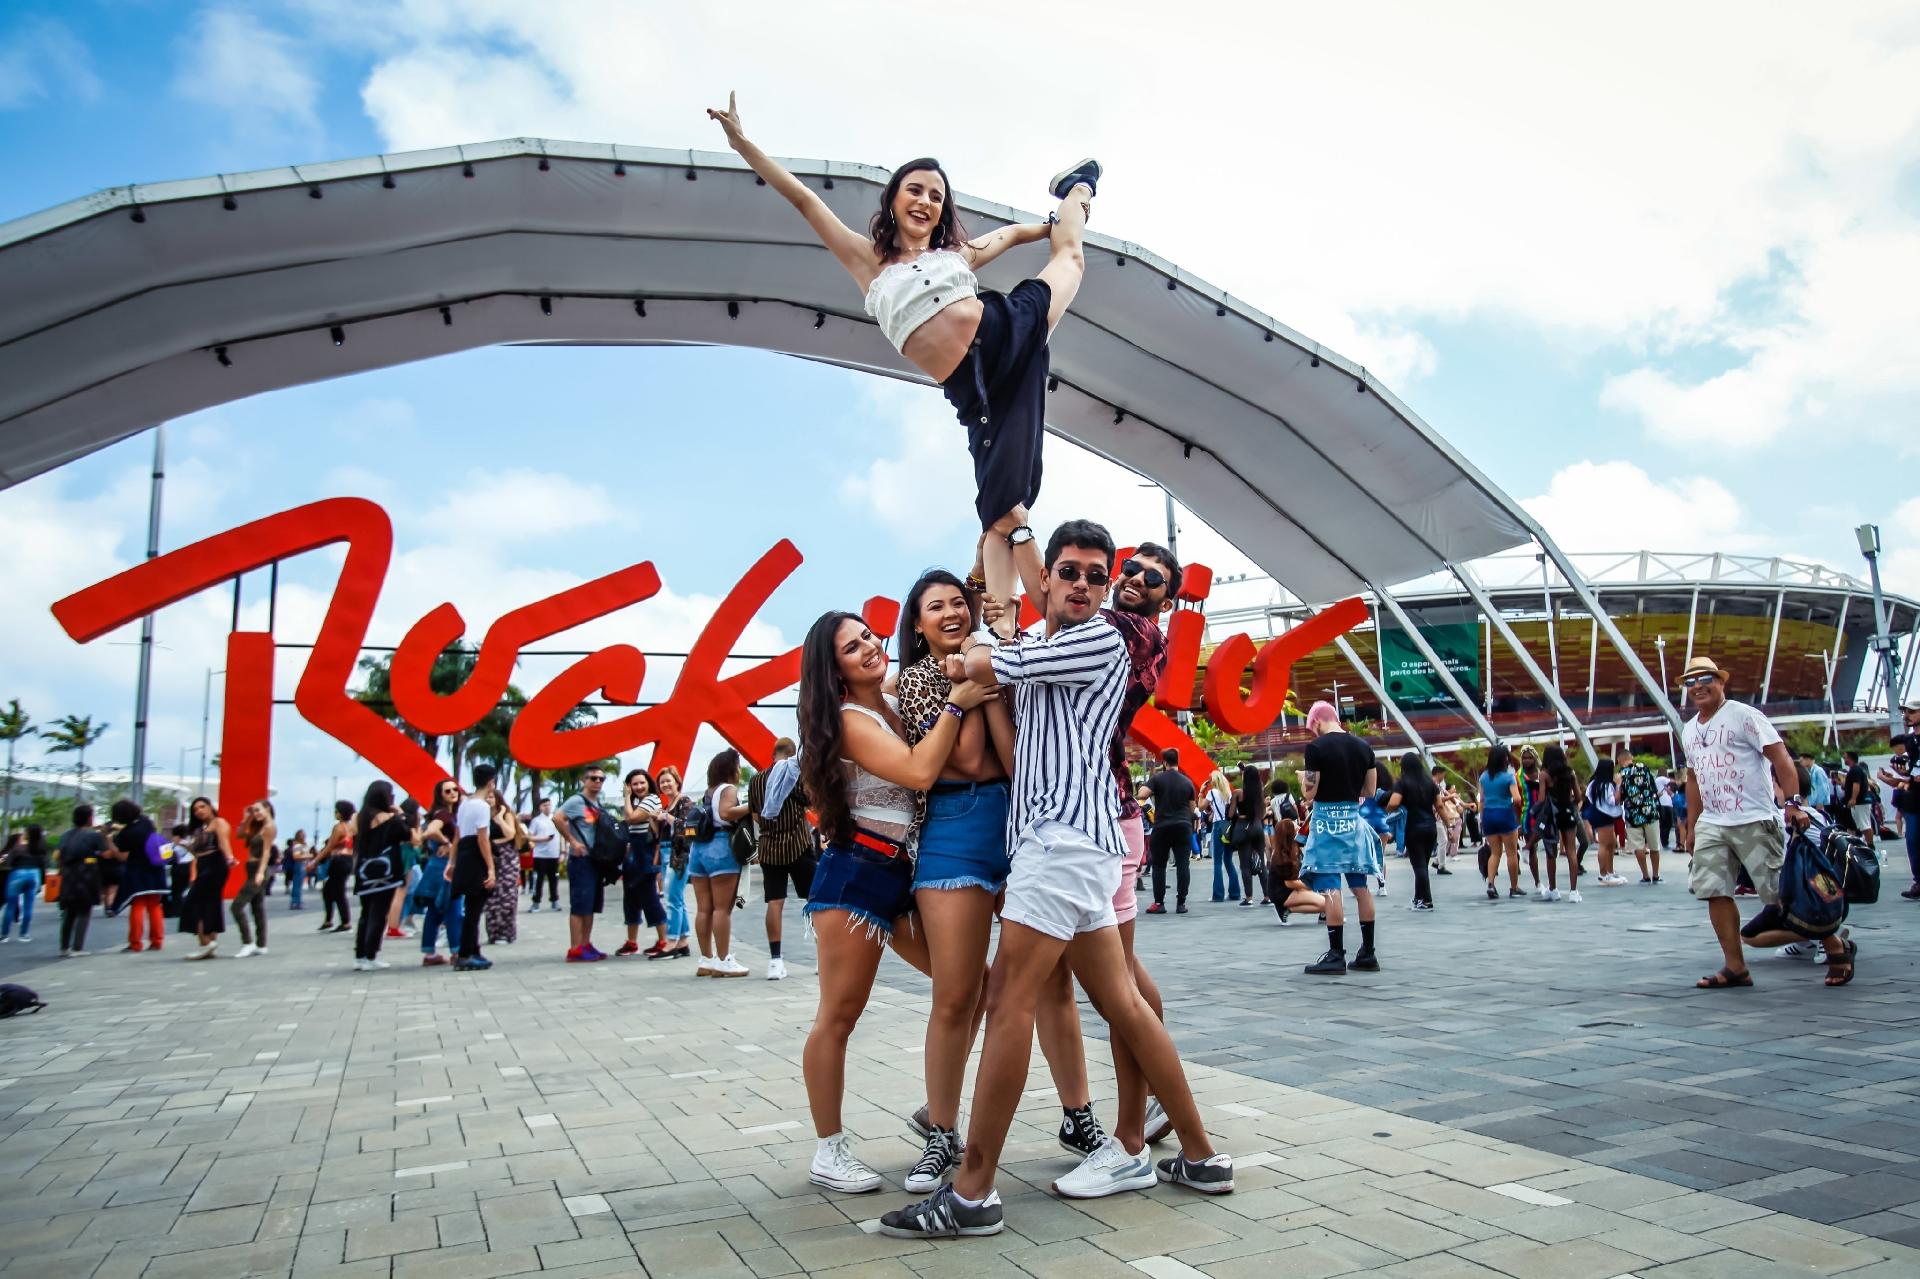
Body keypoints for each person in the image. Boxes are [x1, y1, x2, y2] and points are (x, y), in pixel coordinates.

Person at [882, 520, 1230, 1240]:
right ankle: (1201, 1155)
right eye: (1068, 571)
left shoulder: (1099, 636)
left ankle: (972, 1192)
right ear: (1050, 579)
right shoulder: (1044, 643)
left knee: (1010, 998)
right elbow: (1005, 621)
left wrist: (978, 644)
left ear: (1109, 589)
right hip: (1074, 840)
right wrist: (1007, 532)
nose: (1081, 583)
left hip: (1063, 841)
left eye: (1095, 575)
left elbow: (977, 666)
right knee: (1124, 1003)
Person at [709, 93, 1098, 632]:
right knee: (1003, 512)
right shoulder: (868, 260)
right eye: (915, 190)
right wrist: (743, 144)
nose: (925, 201)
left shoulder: (954, 255)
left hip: (1008, 328)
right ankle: (1020, 635)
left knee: (1070, 257)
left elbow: (1006, 237)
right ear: (893, 199)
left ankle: (1080, 188)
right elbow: (803, 200)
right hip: (975, 387)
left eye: (936, 196)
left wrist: (1049, 224)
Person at [794, 608, 984, 1194]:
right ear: (835, 671)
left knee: (974, 986)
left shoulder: (888, 700)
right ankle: (829, 1149)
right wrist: (958, 704)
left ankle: (938, 1111)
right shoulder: (852, 720)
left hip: (897, 873)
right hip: (856, 877)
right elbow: (920, 771)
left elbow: (933, 647)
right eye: (853, 648)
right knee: (839, 1016)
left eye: (870, 636)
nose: (871, 648)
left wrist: (979, 581)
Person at [888, 569, 1017, 1188]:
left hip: (1017, 823)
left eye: (957, 603)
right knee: (955, 995)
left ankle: (1080, 1116)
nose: (949, 613)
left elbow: (1014, 757)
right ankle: (940, 1135)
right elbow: (966, 758)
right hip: (954, 822)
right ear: (917, 624)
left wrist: (981, 678)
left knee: (1037, 988)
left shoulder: (997, 662)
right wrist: (973, 684)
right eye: (933, 607)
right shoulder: (914, 680)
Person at [1679, 656, 1851, 988]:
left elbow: (1780, 757)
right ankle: (1735, 967)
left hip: (1755, 818)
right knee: (1713, 891)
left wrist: (1793, 802)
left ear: (1721, 682)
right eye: (1690, 682)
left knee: (1779, 895)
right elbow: (1692, 778)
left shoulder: (1743, 715)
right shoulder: (1689, 729)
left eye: (1705, 679)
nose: (1697, 686)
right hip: (1713, 822)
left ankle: (1835, 946)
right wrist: (1692, 824)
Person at [1299, 701, 1383, 975]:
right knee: (1360, 886)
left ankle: (1336, 954)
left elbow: (1309, 794)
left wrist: (1304, 778)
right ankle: (1368, 952)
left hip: (1326, 824)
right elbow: (1370, 790)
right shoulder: (1363, 747)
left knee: (1330, 886)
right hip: (1353, 820)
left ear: (1317, 722)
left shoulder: (1316, 749)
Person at [749, 738, 815, 980]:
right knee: (813, 901)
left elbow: (755, 814)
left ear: (773, 754)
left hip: (769, 848)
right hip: (798, 845)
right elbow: (811, 800)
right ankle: (823, 956)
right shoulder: (795, 774)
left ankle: (775, 961)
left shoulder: (756, 780)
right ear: (790, 755)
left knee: (774, 902)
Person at [688, 748, 752, 977]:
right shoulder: (728, 789)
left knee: (704, 909)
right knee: (722, 910)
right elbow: (726, 813)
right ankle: (724, 960)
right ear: (731, 768)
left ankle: (706, 959)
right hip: (721, 847)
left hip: (699, 849)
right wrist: (753, 806)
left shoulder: (709, 790)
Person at [558, 768, 615, 963]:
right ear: (584, 780)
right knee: (580, 905)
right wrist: (572, 841)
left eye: (601, 779)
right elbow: (558, 818)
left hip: (595, 859)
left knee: (591, 905)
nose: (597, 782)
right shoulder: (576, 801)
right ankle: (575, 947)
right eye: (593, 778)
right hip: (580, 859)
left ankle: (585, 943)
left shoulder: (596, 803)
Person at [352, 781, 409, 971]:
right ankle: (371, 954)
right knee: (379, 914)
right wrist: (399, 813)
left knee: (366, 914)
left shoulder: (360, 818)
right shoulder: (389, 818)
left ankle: (360, 955)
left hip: (364, 871)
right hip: (386, 873)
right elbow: (406, 834)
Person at [451, 764, 499, 971]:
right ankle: (464, 954)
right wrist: (490, 868)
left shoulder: (464, 804)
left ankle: (473, 950)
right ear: (491, 782)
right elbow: (483, 839)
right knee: (474, 909)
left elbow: (457, 835)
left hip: (464, 853)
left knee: (472, 906)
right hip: (475, 855)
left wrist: (452, 862)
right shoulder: (482, 806)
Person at [616, 769, 668, 957]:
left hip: (645, 852)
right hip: (633, 853)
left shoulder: (652, 799)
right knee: (630, 898)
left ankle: (664, 940)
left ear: (648, 783)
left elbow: (631, 818)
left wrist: (626, 798)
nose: (638, 787)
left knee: (649, 897)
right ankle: (631, 942)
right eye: (634, 784)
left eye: (641, 783)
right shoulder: (635, 802)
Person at [180, 797, 233, 959]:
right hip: (204, 864)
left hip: (215, 864)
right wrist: (186, 846)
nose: (199, 811)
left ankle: (206, 943)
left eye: (202, 807)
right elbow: (197, 853)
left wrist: (230, 857)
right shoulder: (202, 828)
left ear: (210, 807)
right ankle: (209, 943)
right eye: (195, 809)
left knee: (193, 902)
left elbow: (223, 842)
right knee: (209, 904)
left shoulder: (218, 822)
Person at [417, 779, 463, 967]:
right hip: (446, 867)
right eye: (447, 791)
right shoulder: (443, 815)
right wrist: (447, 843)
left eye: (455, 789)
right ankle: (457, 951)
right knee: (453, 909)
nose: (453, 793)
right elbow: (429, 832)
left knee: (435, 910)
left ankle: (429, 953)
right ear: (440, 795)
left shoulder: (448, 814)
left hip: (436, 867)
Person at [1386, 753, 1440, 911]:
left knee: (1419, 866)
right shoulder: (1430, 783)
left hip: (1413, 827)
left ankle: (1427, 900)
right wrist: (1449, 825)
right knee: (1423, 864)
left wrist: (1388, 809)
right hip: (1430, 827)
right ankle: (1418, 898)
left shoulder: (1402, 783)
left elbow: (1394, 802)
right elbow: (1440, 805)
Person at [650, 766, 694, 960]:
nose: (666, 784)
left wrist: (666, 817)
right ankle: (683, 941)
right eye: (662, 782)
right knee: (677, 899)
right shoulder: (667, 805)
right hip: (667, 851)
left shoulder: (684, 802)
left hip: (679, 854)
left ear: (677, 781)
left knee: (671, 899)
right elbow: (660, 834)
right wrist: (656, 818)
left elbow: (687, 827)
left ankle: (671, 942)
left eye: (669, 780)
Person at [1145, 750, 1196, 915]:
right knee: (1183, 864)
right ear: (1177, 761)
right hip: (1183, 826)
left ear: (1164, 762)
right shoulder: (1187, 782)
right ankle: (1181, 903)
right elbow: (1192, 808)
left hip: (1162, 826)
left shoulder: (1158, 779)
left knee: (1159, 865)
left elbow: (1142, 794)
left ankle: (1159, 903)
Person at [55, 805, 107, 957]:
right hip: (87, 875)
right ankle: (78, 948)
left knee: (69, 912)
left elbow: (58, 855)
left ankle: (64, 947)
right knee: (84, 910)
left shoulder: (66, 835)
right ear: (89, 818)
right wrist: (104, 838)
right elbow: (106, 854)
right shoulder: (93, 836)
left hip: (69, 874)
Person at [230, 800, 276, 957]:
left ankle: (248, 942)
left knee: (237, 906)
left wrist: (261, 872)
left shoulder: (269, 827)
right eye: (254, 811)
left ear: (267, 809)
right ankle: (261, 944)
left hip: (258, 869)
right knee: (257, 908)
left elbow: (267, 852)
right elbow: (239, 834)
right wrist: (246, 818)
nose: (256, 813)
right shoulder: (257, 826)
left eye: (258, 810)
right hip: (250, 869)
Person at [1477, 744, 1522, 901]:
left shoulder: (1483, 777)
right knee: (1511, 853)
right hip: (1505, 814)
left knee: (1495, 853)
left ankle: (1491, 884)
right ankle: (1514, 887)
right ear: (1505, 760)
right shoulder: (1509, 777)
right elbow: (1517, 799)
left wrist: (1482, 818)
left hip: (1488, 815)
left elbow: (1481, 800)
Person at [1542, 745, 1583, 902]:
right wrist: (1573, 808)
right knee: (1571, 851)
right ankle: (1573, 891)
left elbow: (1541, 799)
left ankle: (1553, 889)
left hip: (1552, 815)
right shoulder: (1570, 773)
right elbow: (1578, 797)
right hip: (1568, 812)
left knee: (1551, 853)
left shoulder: (1545, 774)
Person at [1617, 744, 1663, 884]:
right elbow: (1654, 788)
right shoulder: (1644, 768)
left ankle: (1645, 875)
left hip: (1633, 815)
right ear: (1631, 758)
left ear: (1619, 761)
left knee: (1638, 846)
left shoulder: (1621, 775)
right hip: (1650, 812)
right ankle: (1656, 875)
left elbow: (1620, 799)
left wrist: (1619, 784)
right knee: (1654, 846)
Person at [484, 789, 523, 945]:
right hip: (490, 855)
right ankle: (493, 932)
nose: (488, 799)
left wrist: (499, 818)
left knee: (506, 896)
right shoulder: (482, 815)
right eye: (486, 797)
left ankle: (506, 932)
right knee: (491, 897)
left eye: (491, 797)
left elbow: (510, 834)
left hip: (507, 856)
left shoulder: (505, 813)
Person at [0, 825, 46, 942]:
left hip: (17, 874)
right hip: (34, 874)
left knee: (11, 905)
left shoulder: (18, 847)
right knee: (28, 906)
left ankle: (4, 935)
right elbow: (43, 865)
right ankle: (24, 934)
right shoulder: (40, 849)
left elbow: (8, 863)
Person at [1585, 759, 1627, 886]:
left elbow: (1588, 796)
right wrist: (1619, 785)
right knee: (1605, 845)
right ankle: (1603, 874)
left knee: (1611, 843)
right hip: (1604, 815)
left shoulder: (1593, 784)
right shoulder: (1606, 785)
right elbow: (1613, 801)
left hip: (1599, 814)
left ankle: (1609, 871)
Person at [317, 800, 354, 932]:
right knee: (330, 890)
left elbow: (329, 847)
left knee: (337, 891)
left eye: (336, 811)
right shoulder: (351, 827)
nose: (335, 813)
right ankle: (330, 920)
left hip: (339, 860)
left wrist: (315, 861)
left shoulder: (338, 827)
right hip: (348, 860)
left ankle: (345, 922)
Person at [526, 797, 560, 911]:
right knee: (538, 879)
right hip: (540, 855)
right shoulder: (536, 821)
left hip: (553, 854)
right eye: (545, 805)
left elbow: (562, 836)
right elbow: (529, 836)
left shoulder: (556, 819)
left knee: (553, 878)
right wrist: (544, 839)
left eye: (549, 805)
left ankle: (554, 901)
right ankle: (536, 902)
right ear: (540, 807)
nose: (548, 807)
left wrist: (563, 852)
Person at [1841, 749, 1873, 839]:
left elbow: (1856, 784)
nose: (1844, 759)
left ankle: (1871, 846)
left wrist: (1853, 798)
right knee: (1861, 825)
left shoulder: (1855, 770)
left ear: (1850, 758)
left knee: (1865, 825)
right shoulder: (1855, 770)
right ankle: (1866, 844)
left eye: (1845, 757)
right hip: (1859, 802)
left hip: (1860, 802)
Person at [283, 829, 309, 910]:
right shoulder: (297, 845)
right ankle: (295, 902)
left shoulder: (301, 845)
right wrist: (308, 856)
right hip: (299, 865)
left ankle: (297, 901)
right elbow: (296, 856)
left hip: (302, 865)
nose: (304, 836)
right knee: (297, 885)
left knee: (299, 885)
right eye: (303, 835)